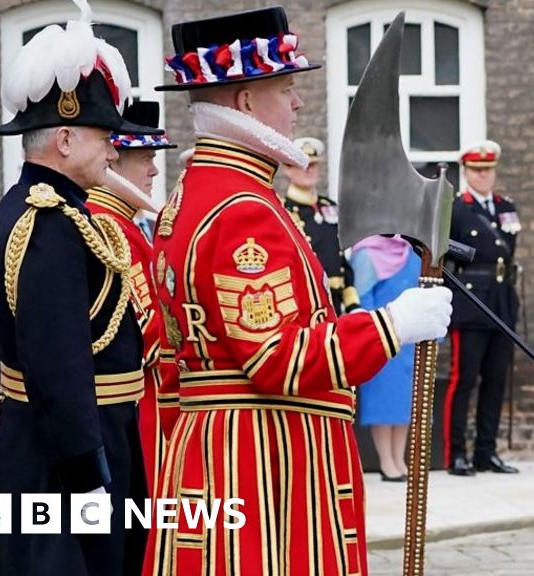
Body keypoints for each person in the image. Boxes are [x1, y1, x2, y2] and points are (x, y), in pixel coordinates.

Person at [145, 8, 452, 575]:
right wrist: (395, 324)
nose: (297, 104)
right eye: (286, 88)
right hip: (262, 467)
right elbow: (278, 360)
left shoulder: (196, 197)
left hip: (214, 453)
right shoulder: (242, 211)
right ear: (244, 101)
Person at [0, 2, 157, 574]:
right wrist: (87, 476)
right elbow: (59, 365)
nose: (114, 150)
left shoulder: (53, 211)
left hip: (81, 445)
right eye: (106, 136)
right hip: (66, 462)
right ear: (68, 139)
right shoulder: (48, 222)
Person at [85, 100, 175, 498]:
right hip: (136, 398)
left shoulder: (127, 221)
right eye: (144, 158)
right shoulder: (109, 225)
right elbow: (148, 332)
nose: (154, 169)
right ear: (114, 162)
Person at [444, 139, 521, 476]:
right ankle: (456, 453)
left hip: (502, 296)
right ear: (466, 172)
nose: (483, 176)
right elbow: (443, 254)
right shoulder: (456, 208)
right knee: (464, 379)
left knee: (495, 380)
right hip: (471, 297)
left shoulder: (505, 206)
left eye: (488, 170)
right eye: (476, 170)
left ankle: (486, 452)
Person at [350, 235, 420, 482]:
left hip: (410, 336)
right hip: (381, 336)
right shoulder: (366, 254)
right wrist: (372, 329)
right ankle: (385, 461)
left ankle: (399, 458)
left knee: (405, 402)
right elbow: (362, 297)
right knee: (382, 400)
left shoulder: (411, 253)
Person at [283, 137, 361, 314]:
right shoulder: (283, 211)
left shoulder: (329, 207)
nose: (309, 170)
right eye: (302, 165)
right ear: (288, 169)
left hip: (336, 302)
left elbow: (339, 257)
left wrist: (352, 303)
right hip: (306, 305)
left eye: (313, 165)